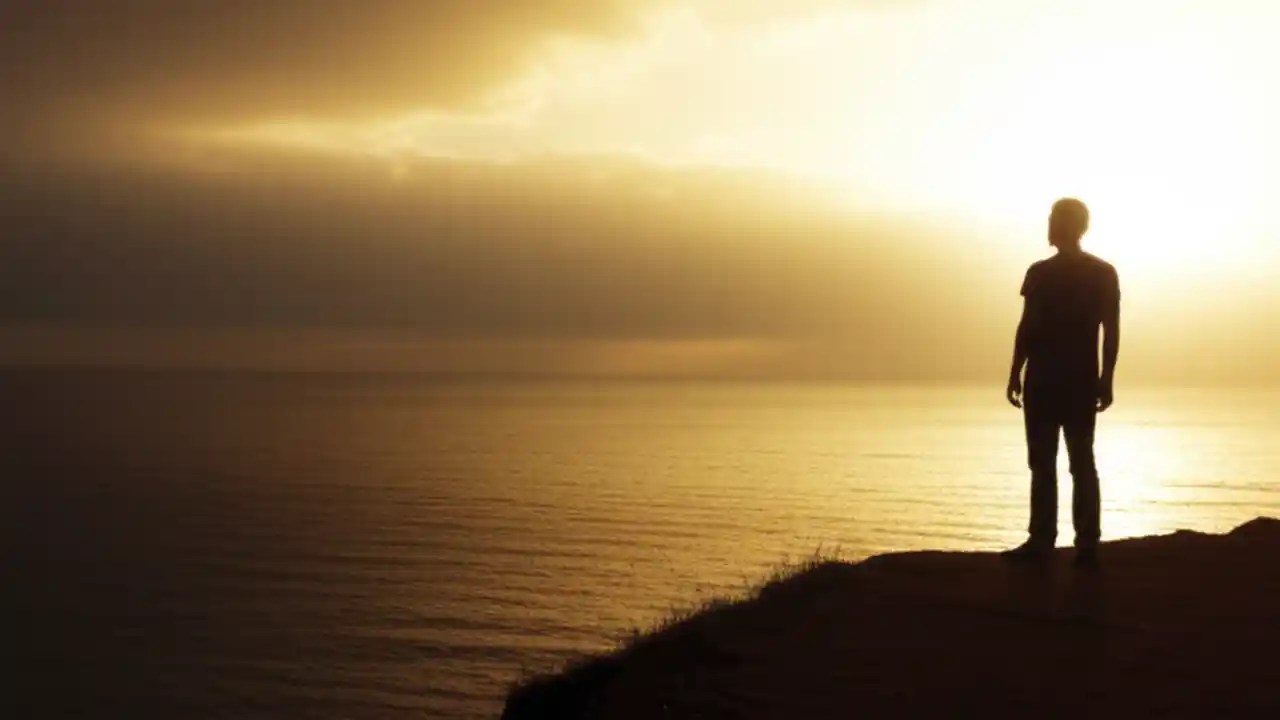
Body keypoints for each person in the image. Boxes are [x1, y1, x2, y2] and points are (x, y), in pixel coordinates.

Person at [1003, 198, 1120, 567]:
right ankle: (1049, 539)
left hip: (1069, 380)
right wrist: (1014, 371)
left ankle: (1080, 542)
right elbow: (1027, 325)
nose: (1048, 225)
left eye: (1053, 219)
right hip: (1047, 379)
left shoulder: (1099, 272)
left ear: (1069, 225)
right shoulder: (1040, 271)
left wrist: (1107, 378)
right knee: (1048, 462)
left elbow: (1111, 331)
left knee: (1075, 461)